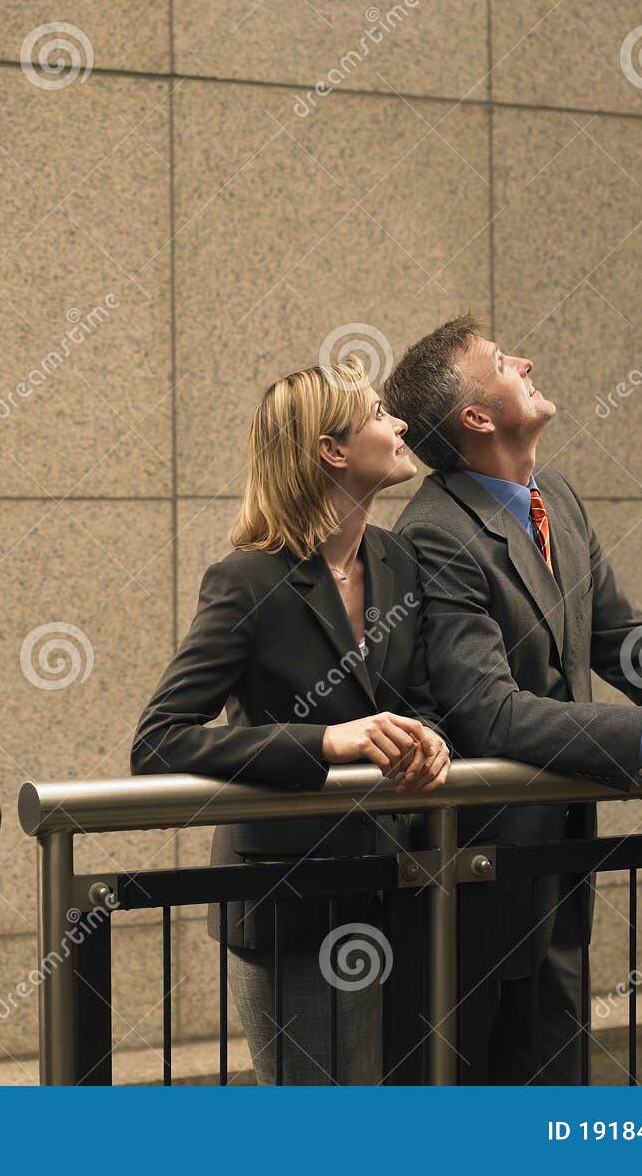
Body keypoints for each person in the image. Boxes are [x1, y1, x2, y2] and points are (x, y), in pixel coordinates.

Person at [381, 317, 642, 1085]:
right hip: (471, 873)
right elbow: (492, 713)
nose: (527, 360)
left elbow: (625, 637)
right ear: (477, 418)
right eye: (505, 362)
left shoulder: (558, 498)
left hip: (557, 862)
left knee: (554, 1083)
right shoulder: (436, 532)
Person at [131, 357, 451, 1084]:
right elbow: (158, 741)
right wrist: (324, 741)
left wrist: (432, 738)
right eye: (377, 413)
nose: (399, 424)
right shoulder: (246, 579)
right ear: (331, 449)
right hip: (286, 905)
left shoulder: (399, 561)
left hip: (392, 886)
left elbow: (425, 701)